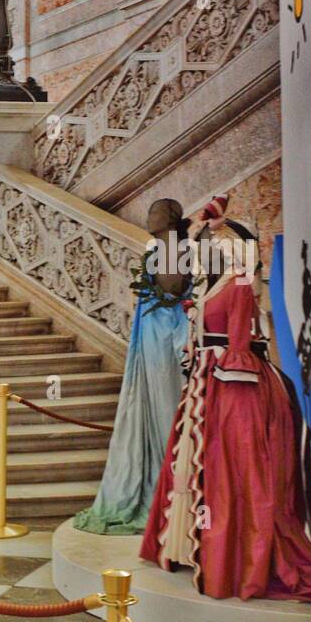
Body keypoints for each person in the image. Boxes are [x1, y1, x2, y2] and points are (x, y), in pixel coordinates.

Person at [141, 199, 311, 602]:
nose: (205, 250)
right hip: (208, 383)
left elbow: (241, 334)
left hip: (236, 387)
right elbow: (171, 284)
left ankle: (233, 558)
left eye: (214, 244)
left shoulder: (238, 282)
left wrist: (223, 229)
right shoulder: (209, 284)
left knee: (237, 469)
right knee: (202, 465)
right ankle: (195, 545)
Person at [73, 198, 193, 535]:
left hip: (164, 337)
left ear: (168, 216)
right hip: (154, 334)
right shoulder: (163, 247)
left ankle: (168, 485)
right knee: (153, 406)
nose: (149, 215)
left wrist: (150, 288)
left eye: (155, 211)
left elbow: (172, 289)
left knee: (164, 407)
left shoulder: (172, 246)